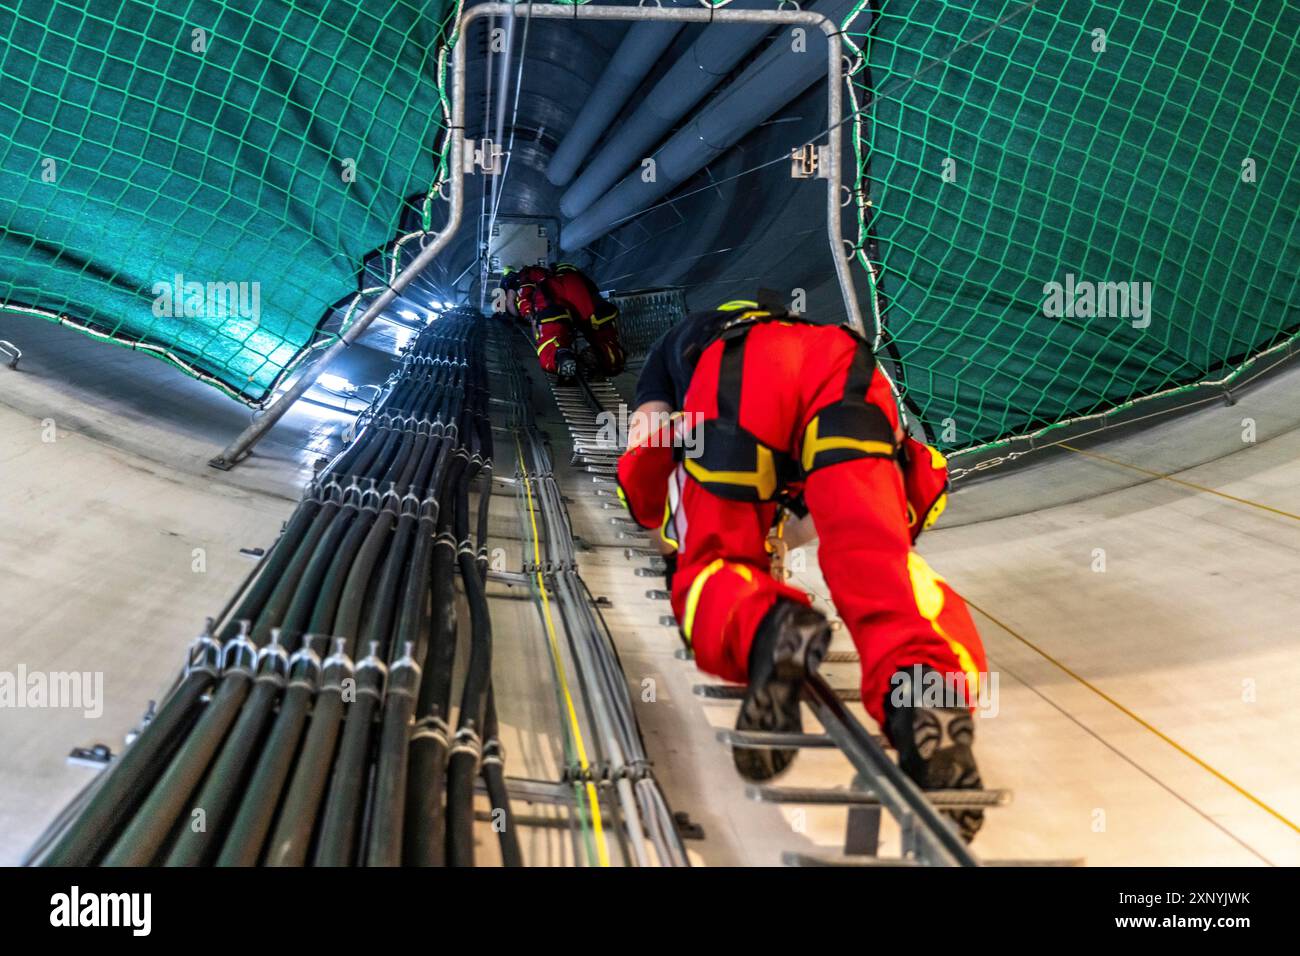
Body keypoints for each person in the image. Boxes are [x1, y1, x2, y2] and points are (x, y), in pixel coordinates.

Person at [617, 294, 989, 841]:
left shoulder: (677, 348)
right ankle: (922, 688)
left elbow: (649, 438)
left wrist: (668, 533)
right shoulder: (806, 330)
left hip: (742, 377)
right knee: (877, 565)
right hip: (844, 365)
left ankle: (768, 625)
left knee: (714, 568)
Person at [546, 262, 626, 377]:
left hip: (576, 315)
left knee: (556, 336)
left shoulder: (553, 282)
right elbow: (594, 293)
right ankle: (608, 362)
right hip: (596, 316)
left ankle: (563, 358)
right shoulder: (582, 279)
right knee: (604, 338)